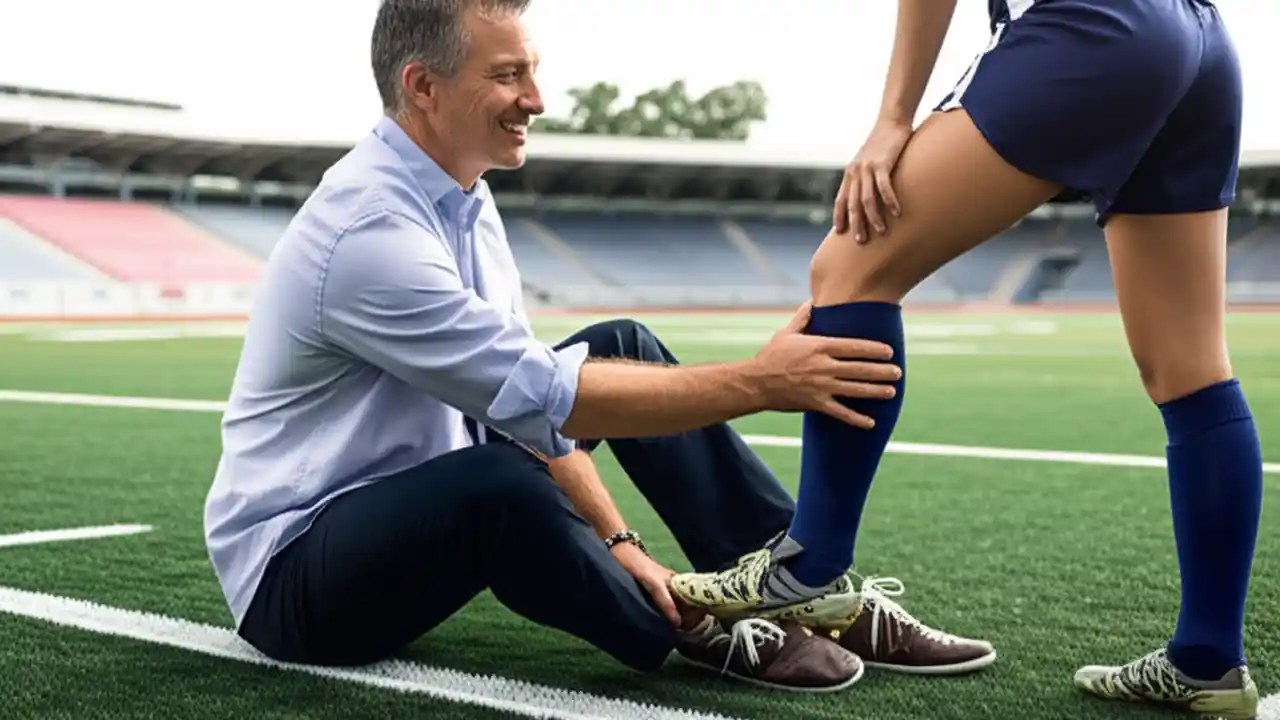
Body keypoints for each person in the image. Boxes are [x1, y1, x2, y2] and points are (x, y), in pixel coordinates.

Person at [202, 0, 996, 695]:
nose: (536, 100)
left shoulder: (463, 201)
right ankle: (689, 625)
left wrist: (618, 538)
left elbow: (528, 415)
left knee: (621, 347)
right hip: (299, 576)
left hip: (418, 504)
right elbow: (549, 400)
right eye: (509, 75)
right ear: (422, 87)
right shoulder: (368, 232)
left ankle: (802, 583)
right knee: (497, 487)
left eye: (532, 72)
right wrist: (763, 382)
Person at [671, 0, 1263, 715]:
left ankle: (812, 562)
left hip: (1098, 26)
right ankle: (1207, 659)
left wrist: (893, 120)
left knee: (852, 266)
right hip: (1200, 41)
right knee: (1191, 368)